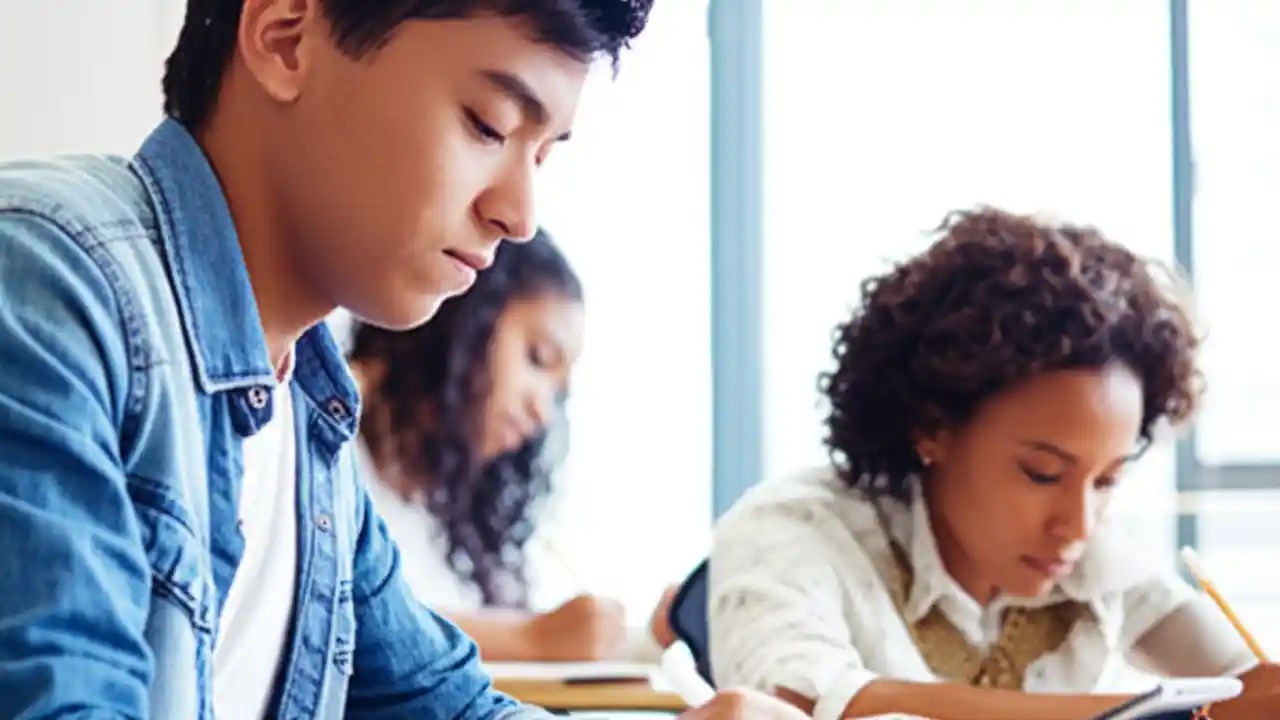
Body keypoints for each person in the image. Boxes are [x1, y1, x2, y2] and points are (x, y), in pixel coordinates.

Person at [0, 1, 782, 718]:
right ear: (285, 37)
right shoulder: (51, 282)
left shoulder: (309, 420)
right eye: (488, 124)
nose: (517, 214)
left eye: (540, 156)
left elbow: (452, 706)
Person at [707, 208, 1280, 720]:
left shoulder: (1097, 561)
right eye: (1042, 473)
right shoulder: (792, 532)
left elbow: (1243, 682)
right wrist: (1172, 716)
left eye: (1106, 480)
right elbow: (819, 704)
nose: (1077, 526)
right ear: (932, 426)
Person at [347, 228, 676, 662]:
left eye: (557, 393)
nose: (543, 413)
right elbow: (338, 618)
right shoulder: (320, 415)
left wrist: (643, 642)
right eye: (537, 358)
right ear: (467, 316)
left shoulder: (437, 496)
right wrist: (531, 639)